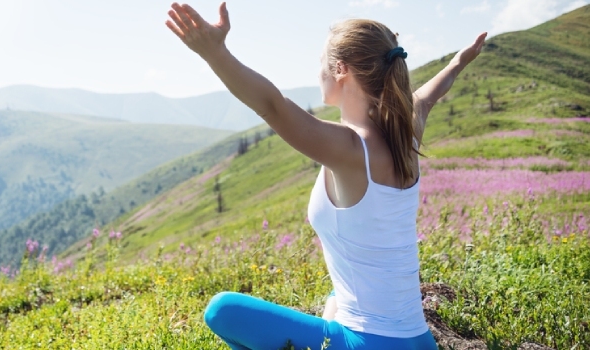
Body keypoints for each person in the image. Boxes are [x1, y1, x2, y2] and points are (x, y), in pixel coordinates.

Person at [165, 2, 486, 350]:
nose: (317, 72)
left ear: (341, 70)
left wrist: (215, 52)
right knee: (336, 295)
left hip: (368, 344)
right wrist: (458, 62)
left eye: (321, 63)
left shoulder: (351, 149)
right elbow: (428, 95)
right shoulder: (406, 133)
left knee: (222, 310)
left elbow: (272, 106)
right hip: (420, 343)